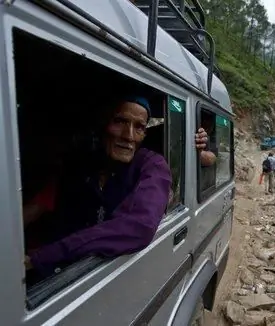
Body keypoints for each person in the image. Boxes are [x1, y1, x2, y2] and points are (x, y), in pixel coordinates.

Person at [23, 96, 210, 277]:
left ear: (145, 134)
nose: (128, 136)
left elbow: (139, 227)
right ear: (103, 125)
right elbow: (42, 206)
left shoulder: (152, 165)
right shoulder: (82, 163)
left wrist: (43, 256)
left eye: (139, 128)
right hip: (57, 272)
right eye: (120, 121)